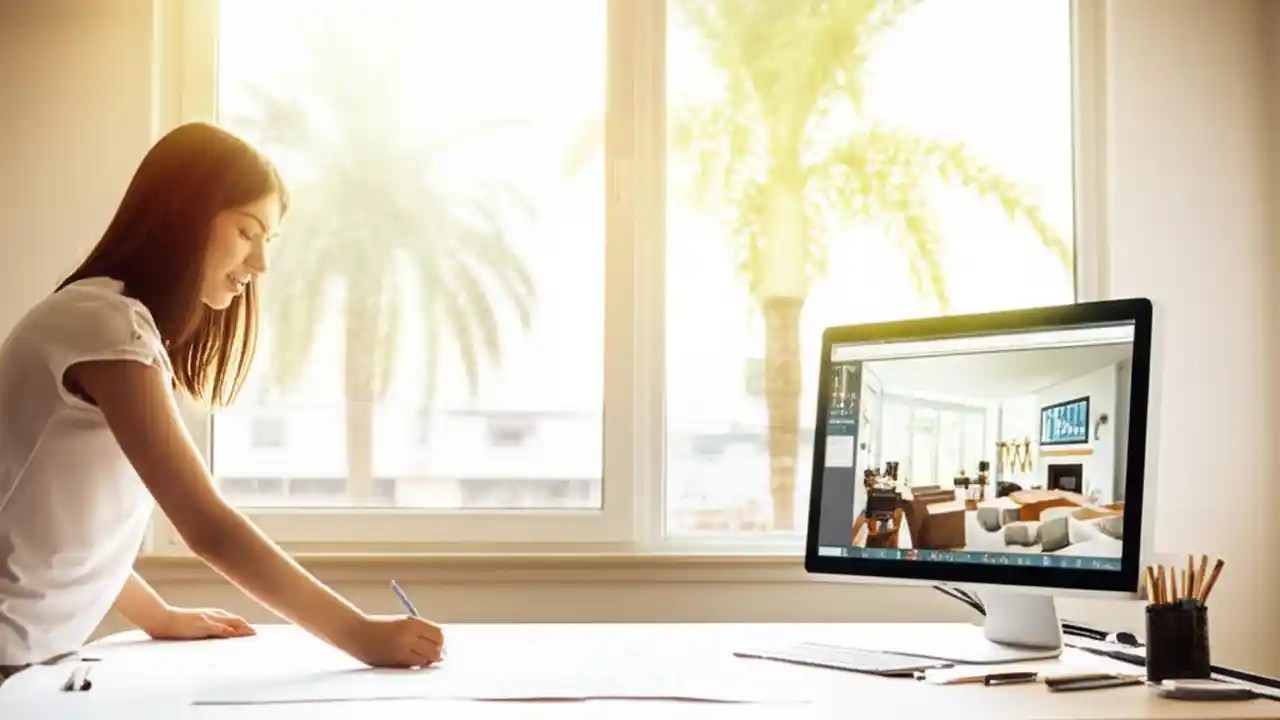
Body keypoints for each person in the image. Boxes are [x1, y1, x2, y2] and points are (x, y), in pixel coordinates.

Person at [0, 122, 443, 680]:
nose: (260, 264)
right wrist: (362, 636)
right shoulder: (104, 325)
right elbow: (206, 525)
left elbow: (59, 529)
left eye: (268, 241)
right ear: (183, 215)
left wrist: (158, 616)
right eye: (246, 232)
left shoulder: (105, 320)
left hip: (31, 660)